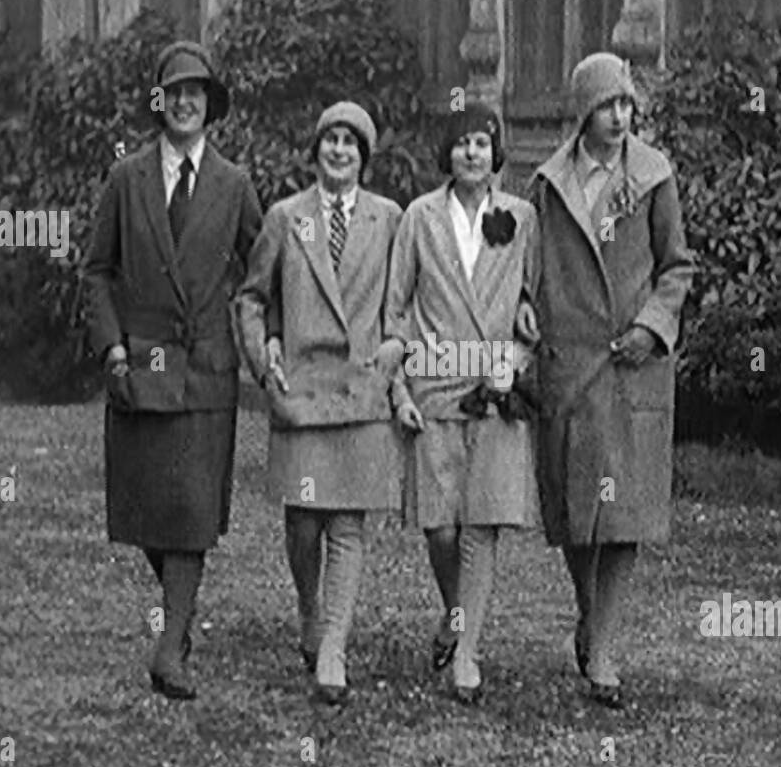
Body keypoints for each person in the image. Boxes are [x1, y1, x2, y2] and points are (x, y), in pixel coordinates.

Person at [84, 40, 263, 702]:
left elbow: (263, 266)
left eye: (197, 92)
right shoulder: (125, 179)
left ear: (210, 106)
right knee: (145, 514)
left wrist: (264, 332)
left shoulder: (234, 184)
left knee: (191, 511)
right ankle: (179, 621)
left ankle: (169, 647)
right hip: (141, 365)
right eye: (174, 92)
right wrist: (113, 350)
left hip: (207, 369)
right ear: (160, 103)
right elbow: (97, 271)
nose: (185, 102)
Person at [523, 52, 696, 709]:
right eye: (607, 105)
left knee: (623, 514)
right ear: (583, 112)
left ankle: (605, 650)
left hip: (630, 365)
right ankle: (588, 612)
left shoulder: (654, 175)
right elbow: (532, 262)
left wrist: (653, 325)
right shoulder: (548, 181)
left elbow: (677, 265)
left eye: (627, 105)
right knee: (574, 514)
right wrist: (525, 318)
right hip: (570, 362)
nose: (620, 117)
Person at [237, 101, 405, 707]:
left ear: (364, 156)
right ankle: (309, 608)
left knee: (350, 523)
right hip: (302, 390)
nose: (339, 151)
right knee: (305, 521)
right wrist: (264, 359)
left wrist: (395, 345)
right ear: (317, 151)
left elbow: (403, 297)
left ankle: (333, 644)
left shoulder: (388, 218)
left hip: (361, 389)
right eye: (330, 140)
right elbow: (252, 298)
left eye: (351, 143)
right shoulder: (286, 217)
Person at [386, 105, 538, 704]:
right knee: (441, 527)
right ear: (445, 154)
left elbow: (533, 306)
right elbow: (395, 310)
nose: (472, 153)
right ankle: (456, 611)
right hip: (434, 387)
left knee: (482, 525)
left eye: (482, 143)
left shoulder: (521, 218)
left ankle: (467, 650)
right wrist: (398, 389)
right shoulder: (420, 219)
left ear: (496, 153)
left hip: (495, 394)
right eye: (461, 144)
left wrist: (515, 362)